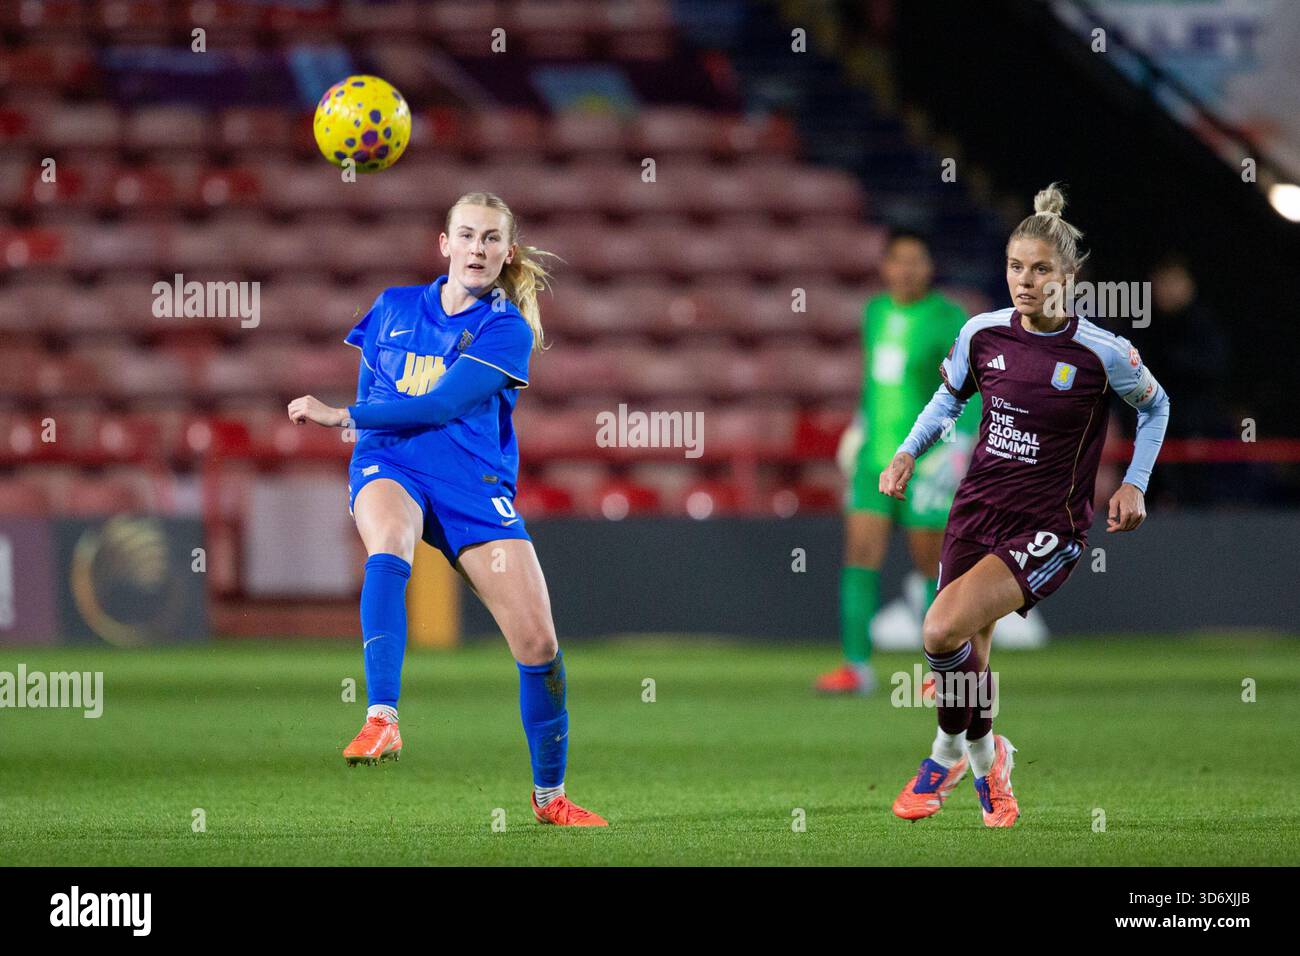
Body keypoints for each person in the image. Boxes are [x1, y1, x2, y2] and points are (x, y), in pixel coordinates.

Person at [286, 191, 607, 827]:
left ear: (507, 252)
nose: (478, 249)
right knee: (389, 546)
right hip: (392, 462)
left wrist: (341, 415)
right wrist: (362, 432)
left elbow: (437, 406)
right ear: (445, 244)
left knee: (539, 645)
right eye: (467, 235)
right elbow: (378, 397)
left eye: (491, 239)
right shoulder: (394, 306)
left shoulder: (506, 329)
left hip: (470, 483)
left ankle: (551, 800)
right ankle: (382, 717)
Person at [881, 184, 1170, 827]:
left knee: (937, 632)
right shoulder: (982, 333)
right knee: (967, 651)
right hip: (975, 510)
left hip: (1046, 527)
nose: (1025, 280)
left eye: (1041, 269)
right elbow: (948, 400)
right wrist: (907, 452)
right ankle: (981, 758)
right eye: (1016, 267)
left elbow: (1156, 406)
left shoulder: (1103, 353)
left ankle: (949, 757)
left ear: (1069, 276)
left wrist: (1135, 482)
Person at [817, 231, 979, 694]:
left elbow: (970, 388)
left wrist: (955, 446)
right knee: (859, 555)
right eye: (898, 260)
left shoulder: (948, 317)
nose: (907, 270)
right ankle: (856, 668)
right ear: (885, 266)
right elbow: (874, 382)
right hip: (874, 460)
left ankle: (942, 671)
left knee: (931, 562)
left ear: (930, 267)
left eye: (916, 260)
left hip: (926, 460)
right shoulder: (875, 313)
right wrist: (859, 425)